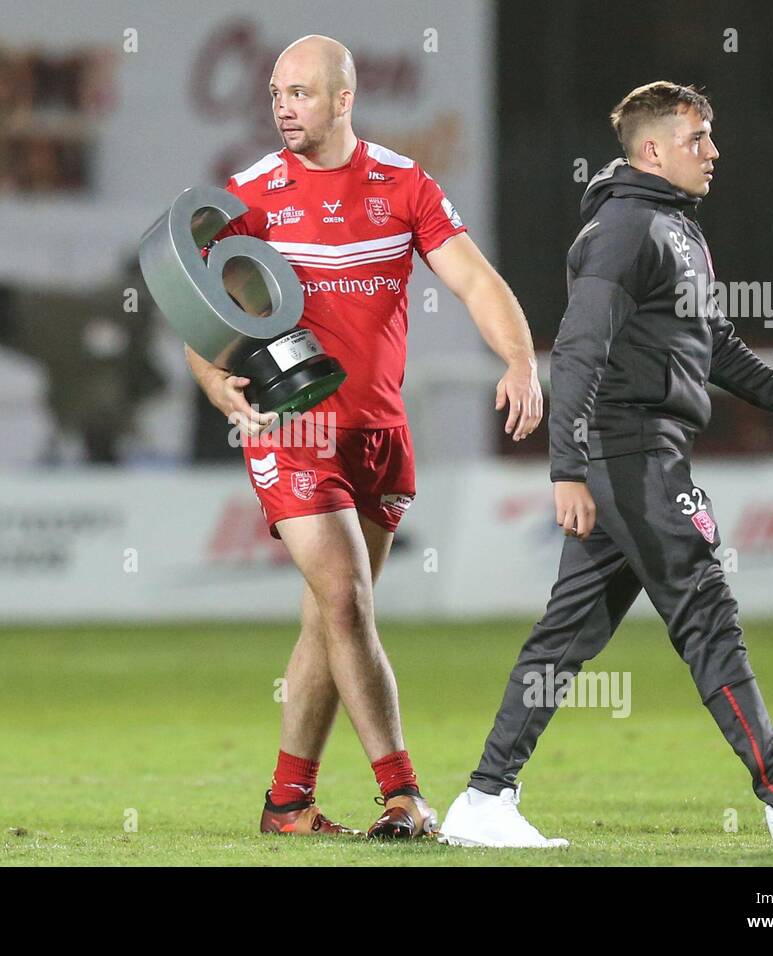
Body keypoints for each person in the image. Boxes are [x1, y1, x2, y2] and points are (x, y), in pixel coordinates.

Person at [438, 81, 773, 850]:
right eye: (698, 137)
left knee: (565, 636)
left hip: (634, 450)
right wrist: (567, 468)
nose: (713, 151)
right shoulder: (624, 228)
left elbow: (712, 345)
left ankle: (484, 799)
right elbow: (578, 350)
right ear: (652, 150)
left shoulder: (674, 229)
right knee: (705, 610)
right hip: (629, 450)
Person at [185, 35, 543, 838]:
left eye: (300, 93)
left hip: (378, 432)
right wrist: (215, 381)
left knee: (330, 616)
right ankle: (403, 792)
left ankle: (287, 804)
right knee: (345, 598)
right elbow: (195, 313)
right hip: (295, 429)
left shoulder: (403, 184)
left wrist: (520, 359)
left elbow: (475, 279)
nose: (282, 105)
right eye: (276, 92)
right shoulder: (250, 198)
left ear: (344, 100)